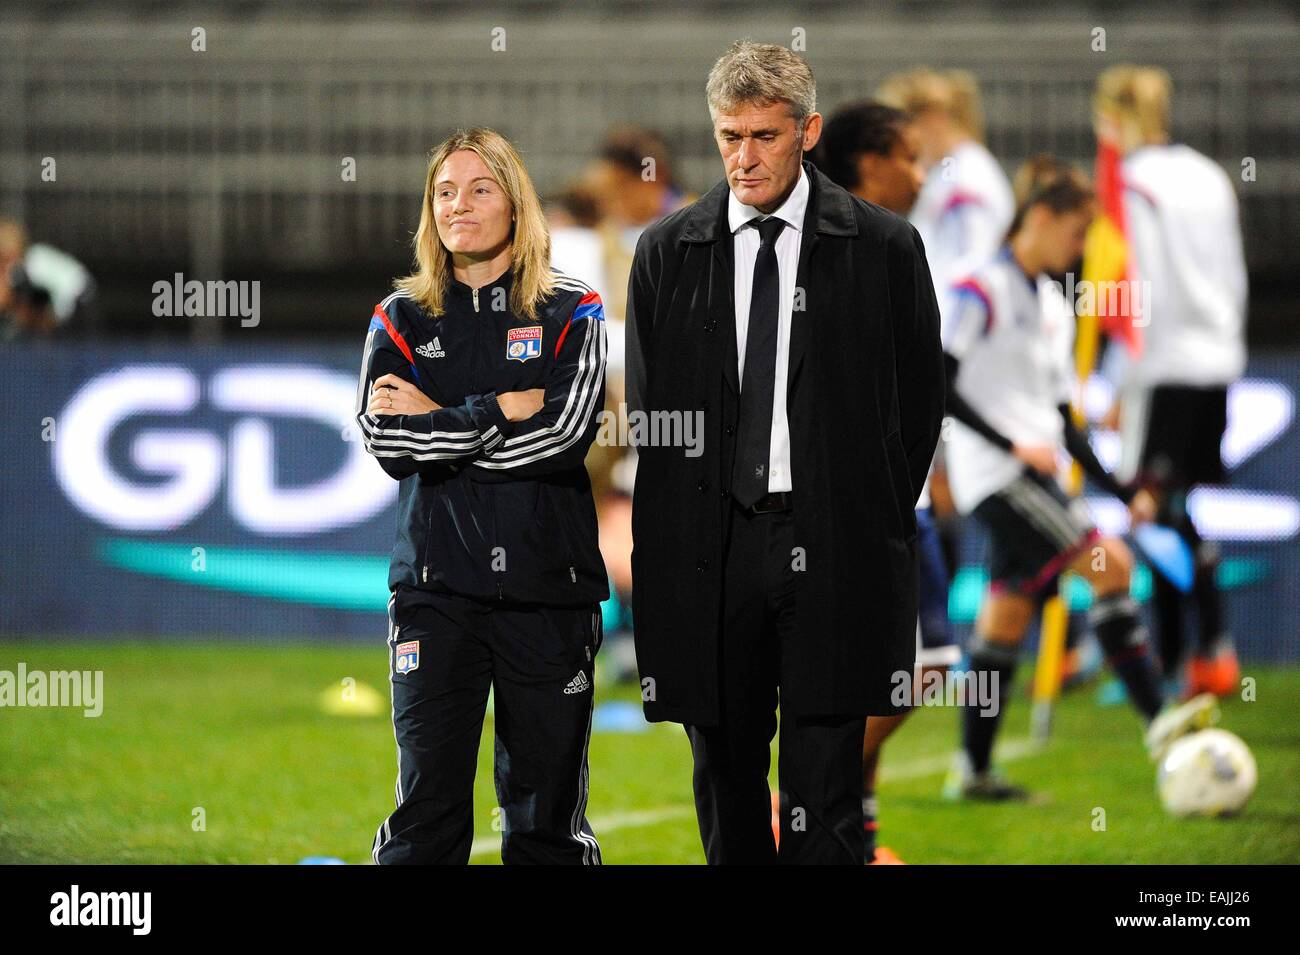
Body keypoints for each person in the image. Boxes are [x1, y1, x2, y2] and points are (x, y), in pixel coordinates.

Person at [625, 41, 945, 864]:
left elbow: (915, 415)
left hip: (832, 543)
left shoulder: (884, 248)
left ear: (806, 132)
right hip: (714, 549)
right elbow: (657, 426)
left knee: (826, 788)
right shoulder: (667, 252)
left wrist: (855, 508)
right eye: (729, 135)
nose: (743, 156)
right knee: (726, 787)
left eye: (764, 136)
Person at [358, 127, 609, 864]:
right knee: (425, 817)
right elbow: (387, 445)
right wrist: (498, 411)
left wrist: (438, 423)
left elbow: (562, 438)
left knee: (545, 825)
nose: (457, 205)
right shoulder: (399, 317)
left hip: (549, 594)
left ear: (515, 201)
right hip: (436, 594)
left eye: (478, 188)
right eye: (443, 191)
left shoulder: (573, 308)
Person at [938, 156, 1217, 802]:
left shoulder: (1051, 306)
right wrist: (1010, 442)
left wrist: (1123, 490)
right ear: (1038, 218)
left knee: (1004, 620)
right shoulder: (977, 289)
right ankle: (1159, 720)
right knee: (1110, 563)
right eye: (1075, 231)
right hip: (999, 478)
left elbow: (1065, 422)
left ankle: (972, 772)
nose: (1080, 247)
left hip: (1037, 479)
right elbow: (938, 381)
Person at [816, 99, 955, 863]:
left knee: (914, 667)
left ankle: (854, 833)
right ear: (869, 163)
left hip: (901, 488)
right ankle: (811, 799)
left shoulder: (893, 242)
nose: (920, 169)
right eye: (907, 153)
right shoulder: (837, 244)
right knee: (919, 668)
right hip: (858, 498)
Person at [1093, 66, 1247, 698]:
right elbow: (1235, 272)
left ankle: (1191, 651)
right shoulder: (1210, 176)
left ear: (1112, 117)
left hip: (1162, 363)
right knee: (1177, 507)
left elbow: (1137, 290)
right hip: (1216, 359)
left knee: (1153, 509)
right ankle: (1202, 653)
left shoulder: (1132, 184)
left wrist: (1119, 380)